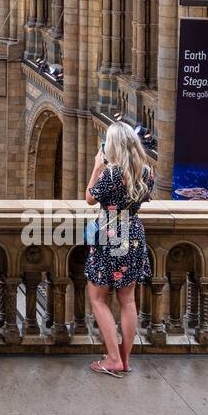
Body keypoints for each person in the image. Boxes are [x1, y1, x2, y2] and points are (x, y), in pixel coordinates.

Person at [84, 123, 153, 377]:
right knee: (128, 299)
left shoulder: (111, 174)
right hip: (133, 232)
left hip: (111, 232)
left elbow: (90, 197)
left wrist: (96, 166)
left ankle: (113, 358)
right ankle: (124, 357)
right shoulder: (147, 172)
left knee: (98, 298)